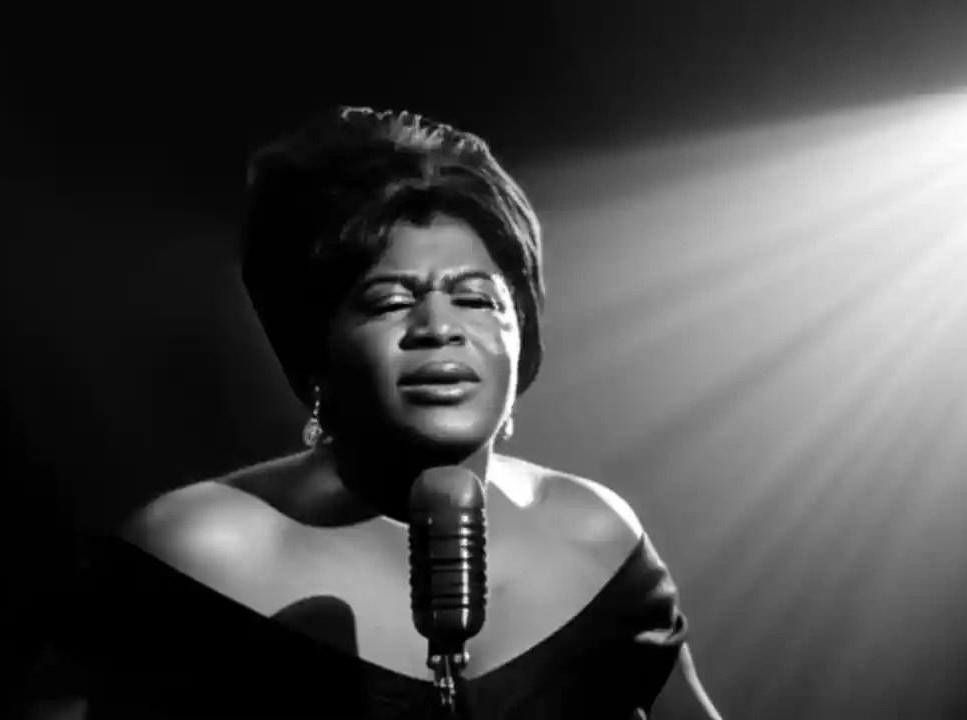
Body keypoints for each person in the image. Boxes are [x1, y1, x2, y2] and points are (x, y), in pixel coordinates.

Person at [39, 106, 722, 719]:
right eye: (390, 300)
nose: (438, 327)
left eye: (476, 298)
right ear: (311, 348)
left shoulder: (595, 533)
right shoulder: (193, 554)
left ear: (525, 333)